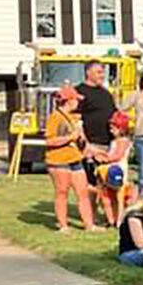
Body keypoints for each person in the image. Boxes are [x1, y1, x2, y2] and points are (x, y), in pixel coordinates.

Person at [45, 86, 101, 234]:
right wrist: (70, 137)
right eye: (76, 99)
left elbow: (81, 140)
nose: (78, 102)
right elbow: (49, 141)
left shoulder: (73, 118)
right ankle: (63, 226)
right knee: (62, 192)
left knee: (82, 193)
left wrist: (89, 148)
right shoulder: (55, 118)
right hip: (59, 161)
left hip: (75, 159)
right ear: (68, 100)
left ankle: (89, 225)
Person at [75, 60, 116, 152]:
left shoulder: (106, 93)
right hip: (89, 145)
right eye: (99, 72)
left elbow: (113, 114)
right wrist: (85, 143)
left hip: (107, 144)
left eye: (103, 73)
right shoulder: (79, 92)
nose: (102, 76)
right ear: (88, 72)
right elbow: (75, 121)